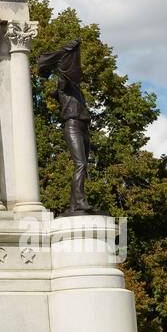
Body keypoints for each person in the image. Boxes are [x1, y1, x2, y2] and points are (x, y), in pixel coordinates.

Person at [35, 39, 96, 215]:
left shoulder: (77, 90)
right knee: (81, 164)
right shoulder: (64, 87)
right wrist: (66, 51)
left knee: (84, 165)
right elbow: (64, 72)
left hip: (84, 127)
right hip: (73, 126)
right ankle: (80, 202)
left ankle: (74, 205)